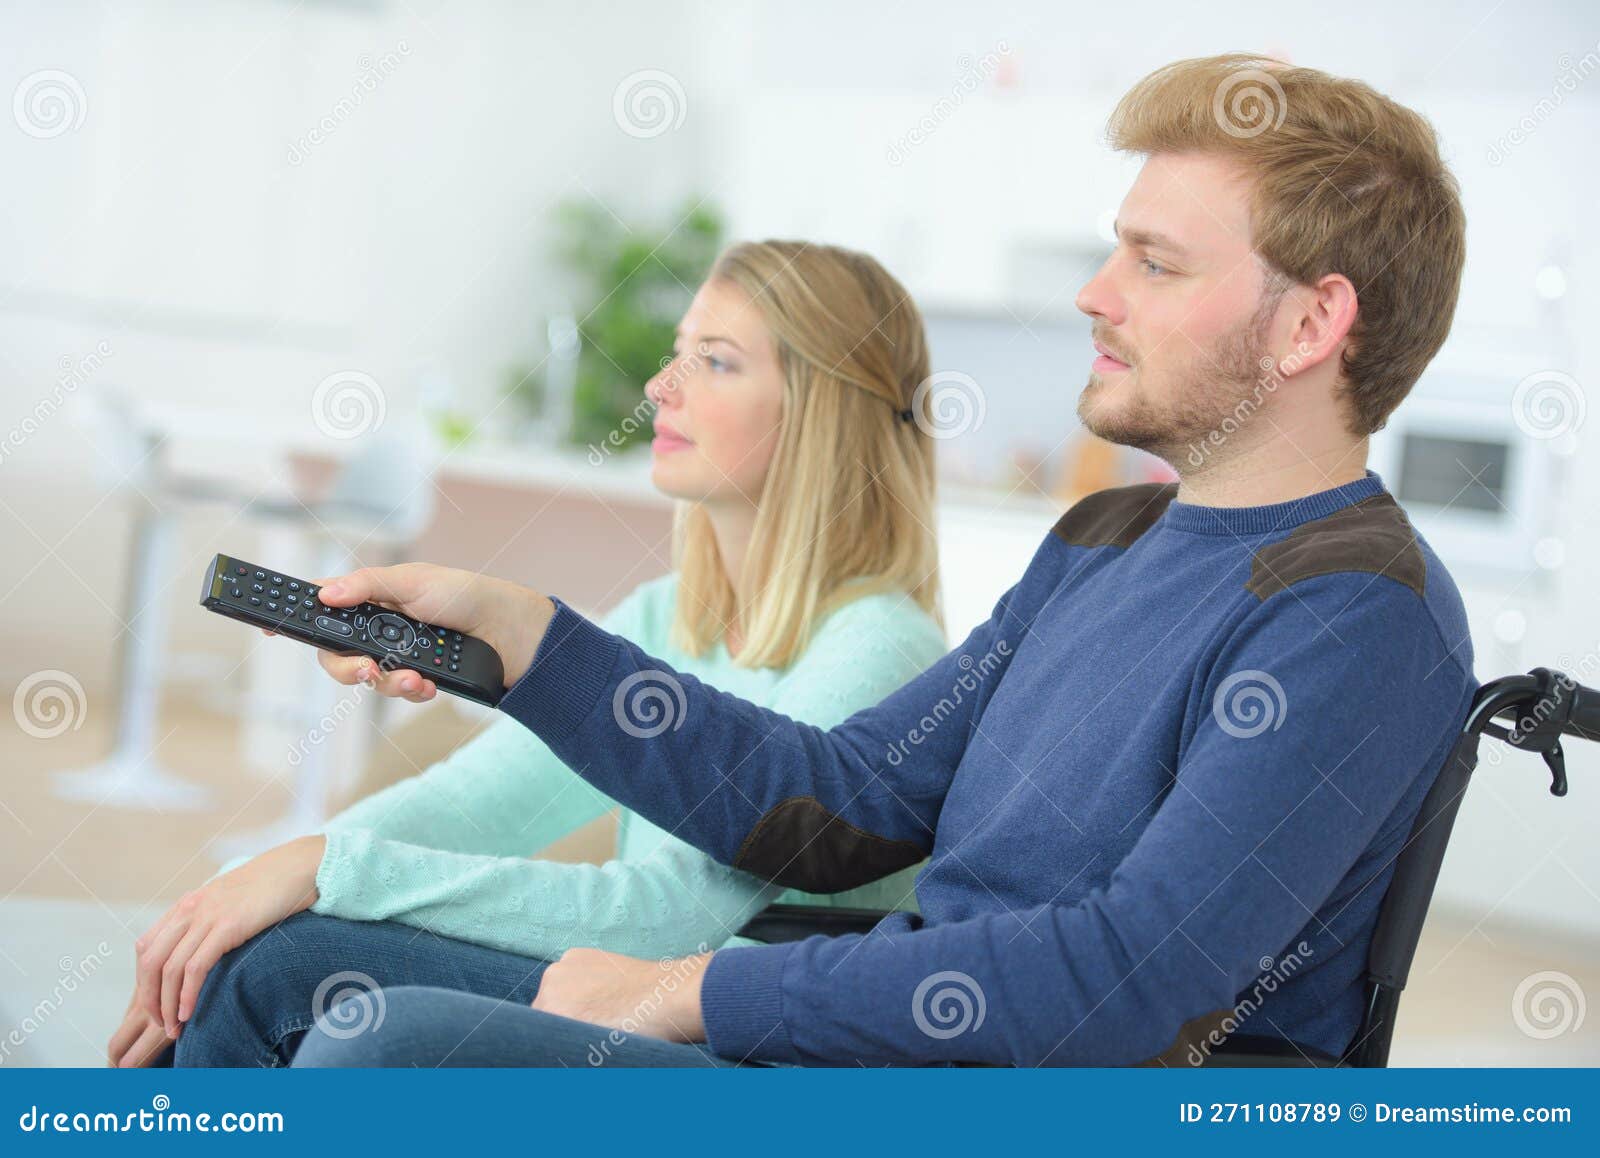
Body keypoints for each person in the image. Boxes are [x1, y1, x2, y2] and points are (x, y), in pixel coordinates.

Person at [293, 53, 1476, 1068]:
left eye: (1153, 265)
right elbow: (844, 804)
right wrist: (530, 643)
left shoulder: (1355, 615)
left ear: (1309, 325)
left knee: (378, 1048)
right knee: (281, 968)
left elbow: (1125, 980)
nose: (1093, 294)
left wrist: (694, 992)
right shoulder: (1106, 538)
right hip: (875, 1045)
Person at [107, 240, 949, 1067]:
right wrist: (246, 888)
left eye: (717, 362)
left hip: (745, 1044)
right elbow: (478, 805)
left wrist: (333, 869)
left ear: (824, 409)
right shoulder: (670, 615)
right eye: (677, 353)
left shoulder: (880, 649)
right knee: (240, 950)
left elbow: (671, 918)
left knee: (277, 971)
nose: (661, 387)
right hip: (631, 997)